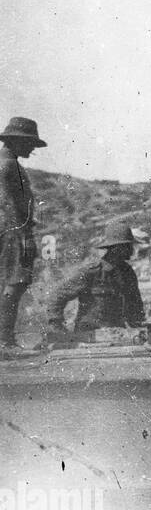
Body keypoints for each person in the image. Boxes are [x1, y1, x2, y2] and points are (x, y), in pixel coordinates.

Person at [46, 222, 145, 333]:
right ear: (116, 248)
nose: (132, 251)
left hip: (117, 335)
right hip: (89, 336)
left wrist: (140, 329)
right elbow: (57, 295)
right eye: (128, 246)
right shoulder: (91, 272)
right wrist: (57, 325)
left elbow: (136, 306)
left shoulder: (128, 273)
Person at [0, 117, 44, 349]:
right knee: (15, 282)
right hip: (12, 232)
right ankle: (5, 340)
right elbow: (7, 203)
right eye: (30, 143)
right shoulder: (8, 166)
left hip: (9, 230)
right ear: (17, 141)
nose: (32, 148)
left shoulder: (7, 163)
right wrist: (23, 235)